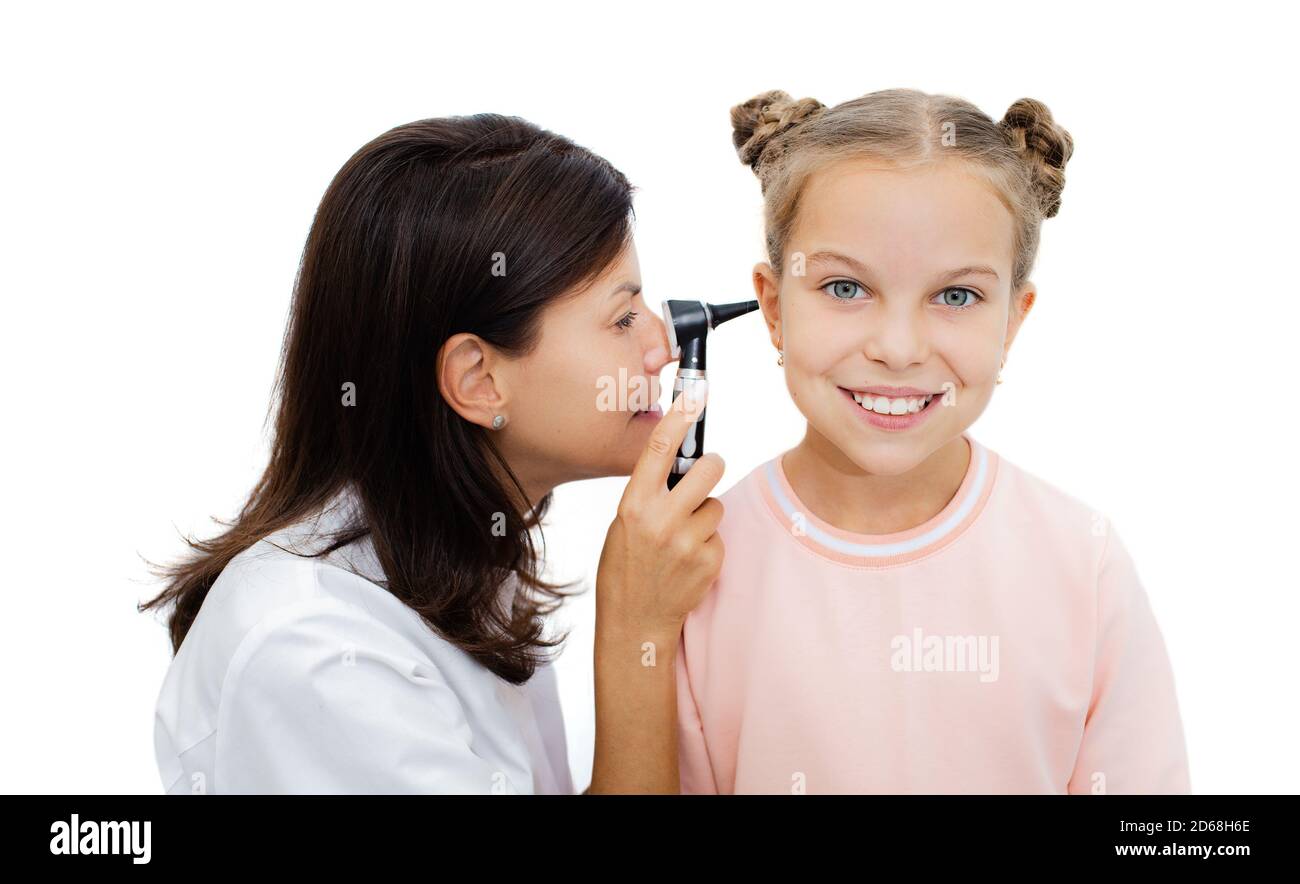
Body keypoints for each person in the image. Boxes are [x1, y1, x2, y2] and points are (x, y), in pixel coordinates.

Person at [142, 114, 725, 794]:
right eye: (623, 319)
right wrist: (635, 634)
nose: (662, 347)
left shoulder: (463, 555)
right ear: (479, 379)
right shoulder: (319, 655)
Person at [675, 88, 1191, 794]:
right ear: (773, 307)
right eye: (846, 288)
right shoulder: (696, 565)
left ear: (1013, 320)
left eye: (956, 297)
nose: (898, 347)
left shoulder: (1082, 564)